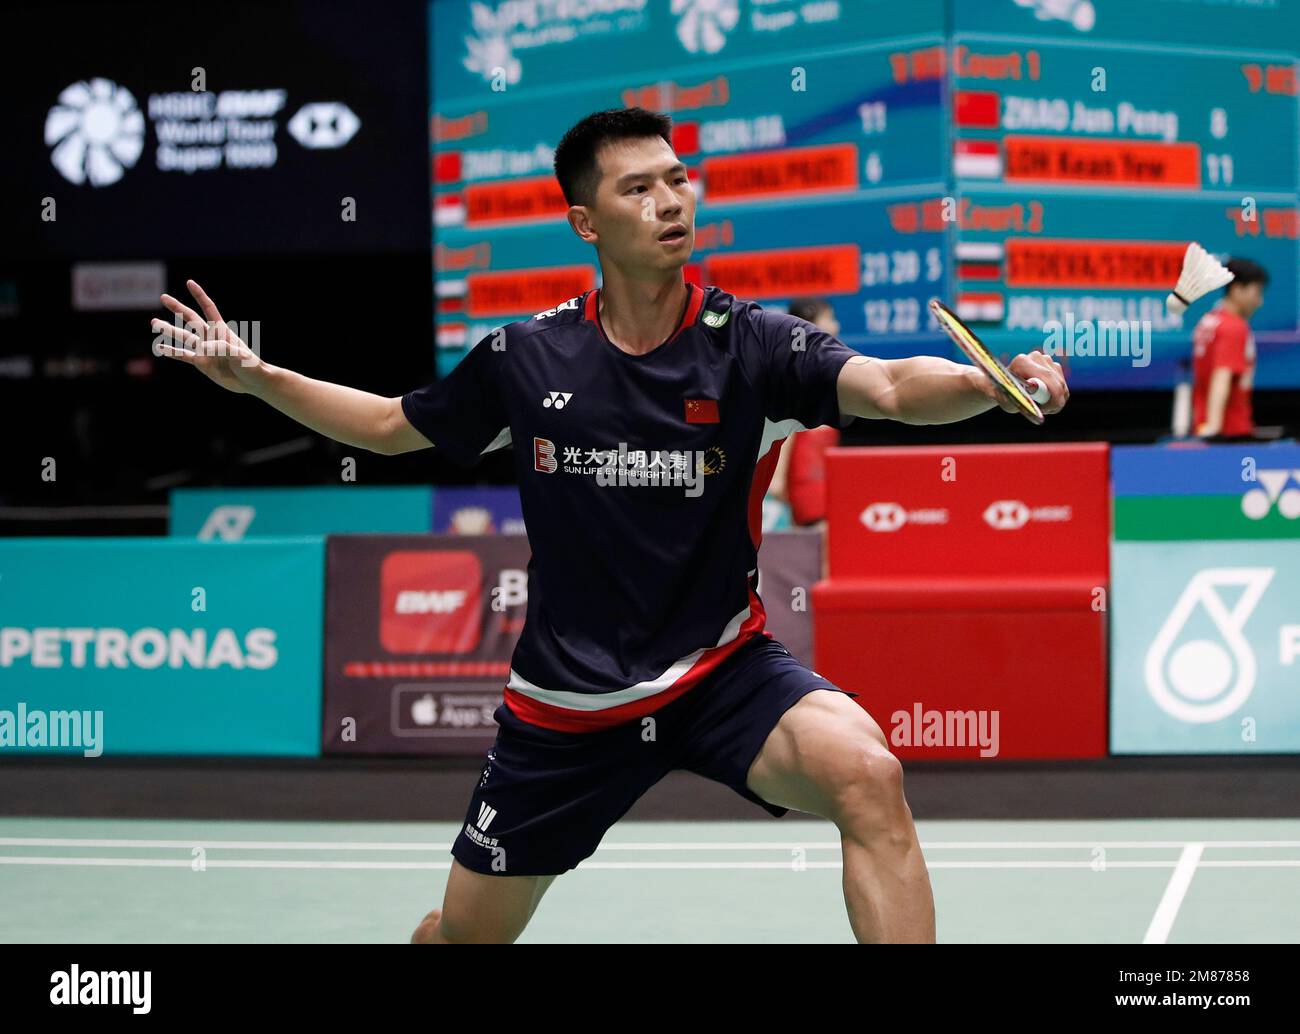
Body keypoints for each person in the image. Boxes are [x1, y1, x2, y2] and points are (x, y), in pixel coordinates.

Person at [150, 107, 1068, 944]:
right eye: (639, 188)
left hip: (720, 673)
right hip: (569, 706)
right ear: (587, 224)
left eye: (677, 179)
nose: (671, 201)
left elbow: (893, 387)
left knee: (868, 775)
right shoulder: (526, 357)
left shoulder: (753, 346)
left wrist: (989, 383)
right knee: (466, 939)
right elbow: (392, 427)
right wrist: (261, 379)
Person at [768, 297, 842, 530]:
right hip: (807, 491)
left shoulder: (823, 370)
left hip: (824, 488)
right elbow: (784, 430)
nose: (835, 326)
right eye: (829, 319)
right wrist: (776, 481)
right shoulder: (798, 372)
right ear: (810, 324)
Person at [1192, 257, 1269, 441]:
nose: (1259, 302)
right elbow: (1222, 376)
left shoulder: (1208, 321)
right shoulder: (1234, 327)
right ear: (1237, 290)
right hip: (1231, 434)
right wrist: (1215, 428)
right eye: (1256, 293)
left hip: (1204, 427)